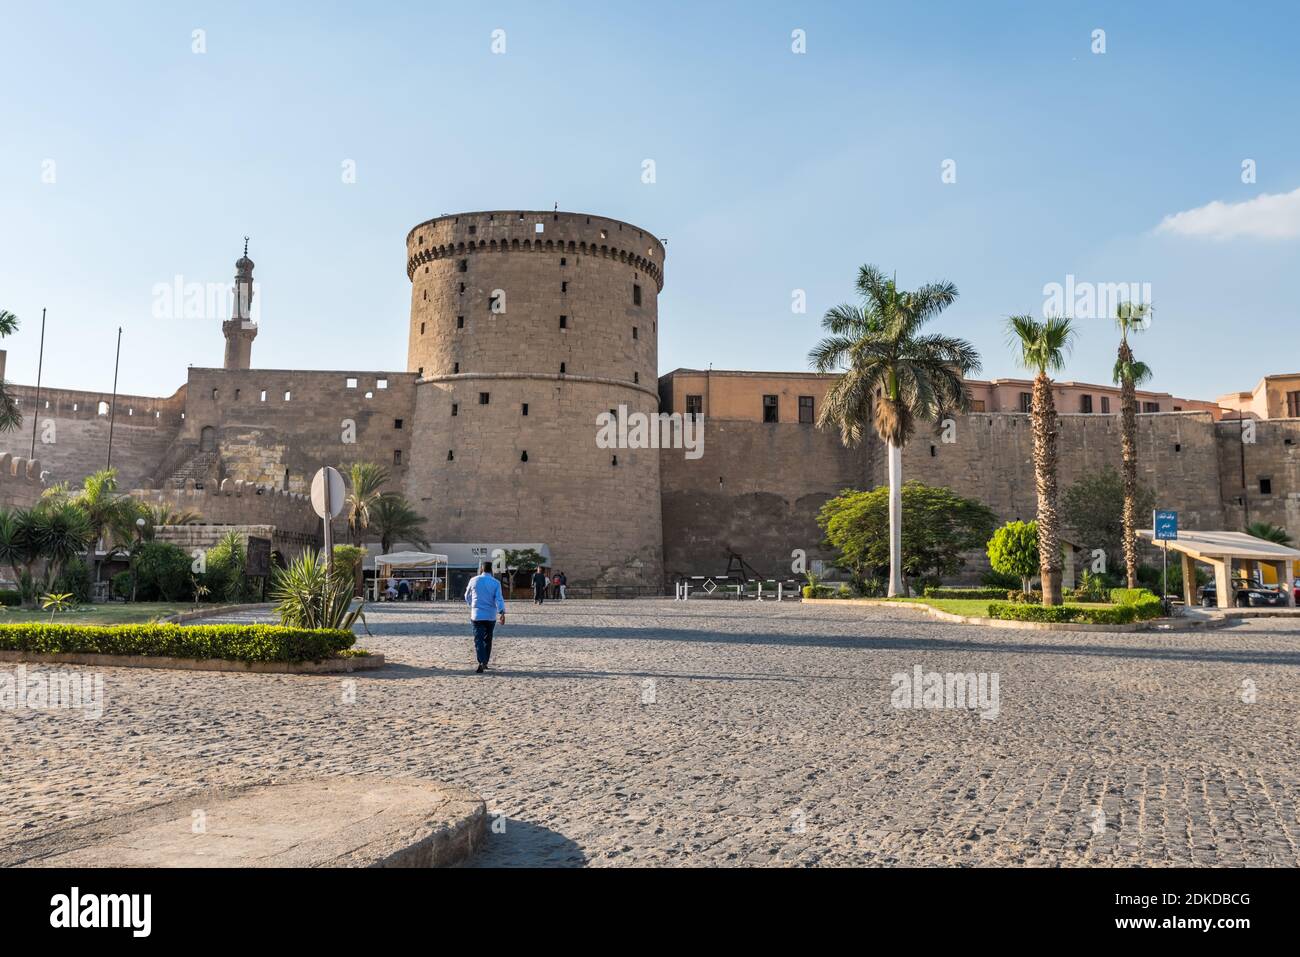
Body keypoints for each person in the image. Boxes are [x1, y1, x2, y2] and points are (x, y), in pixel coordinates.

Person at [464, 561, 506, 674]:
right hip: (490, 616)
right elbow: (499, 598)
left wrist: (472, 605)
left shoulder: (473, 580)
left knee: (478, 639)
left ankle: (481, 661)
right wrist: (502, 612)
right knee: (488, 639)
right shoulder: (496, 583)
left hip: (477, 615)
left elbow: (466, 596)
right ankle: (485, 662)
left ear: (481, 569)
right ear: (491, 570)